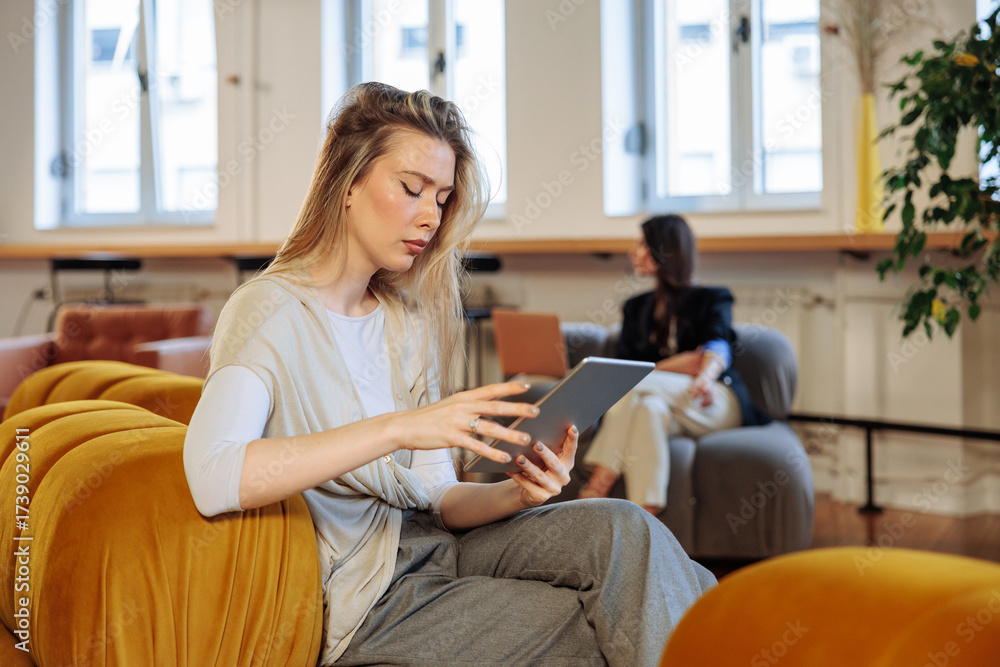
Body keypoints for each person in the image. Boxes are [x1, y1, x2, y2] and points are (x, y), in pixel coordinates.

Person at [183, 83, 715, 666]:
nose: (429, 217)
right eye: (411, 189)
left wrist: (517, 493)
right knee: (613, 619)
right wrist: (398, 428)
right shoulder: (267, 310)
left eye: (441, 198)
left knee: (628, 533)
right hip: (371, 597)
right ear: (347, 182)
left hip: (440, 549)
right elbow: (213, 475)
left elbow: (438, 498)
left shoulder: (404, 322)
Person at [579, 214, 772, 515]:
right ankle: (645, 513)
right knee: (648, 408)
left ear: (664, 249)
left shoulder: (713, 298)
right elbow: (623, 369)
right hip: (663, 404)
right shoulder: (635, 308)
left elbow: (717, 344)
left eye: (641, 244)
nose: (632, 252)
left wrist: (704, 376)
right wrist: (671, 366)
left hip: (710, 398)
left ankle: (597, 485)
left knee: (631, 386)